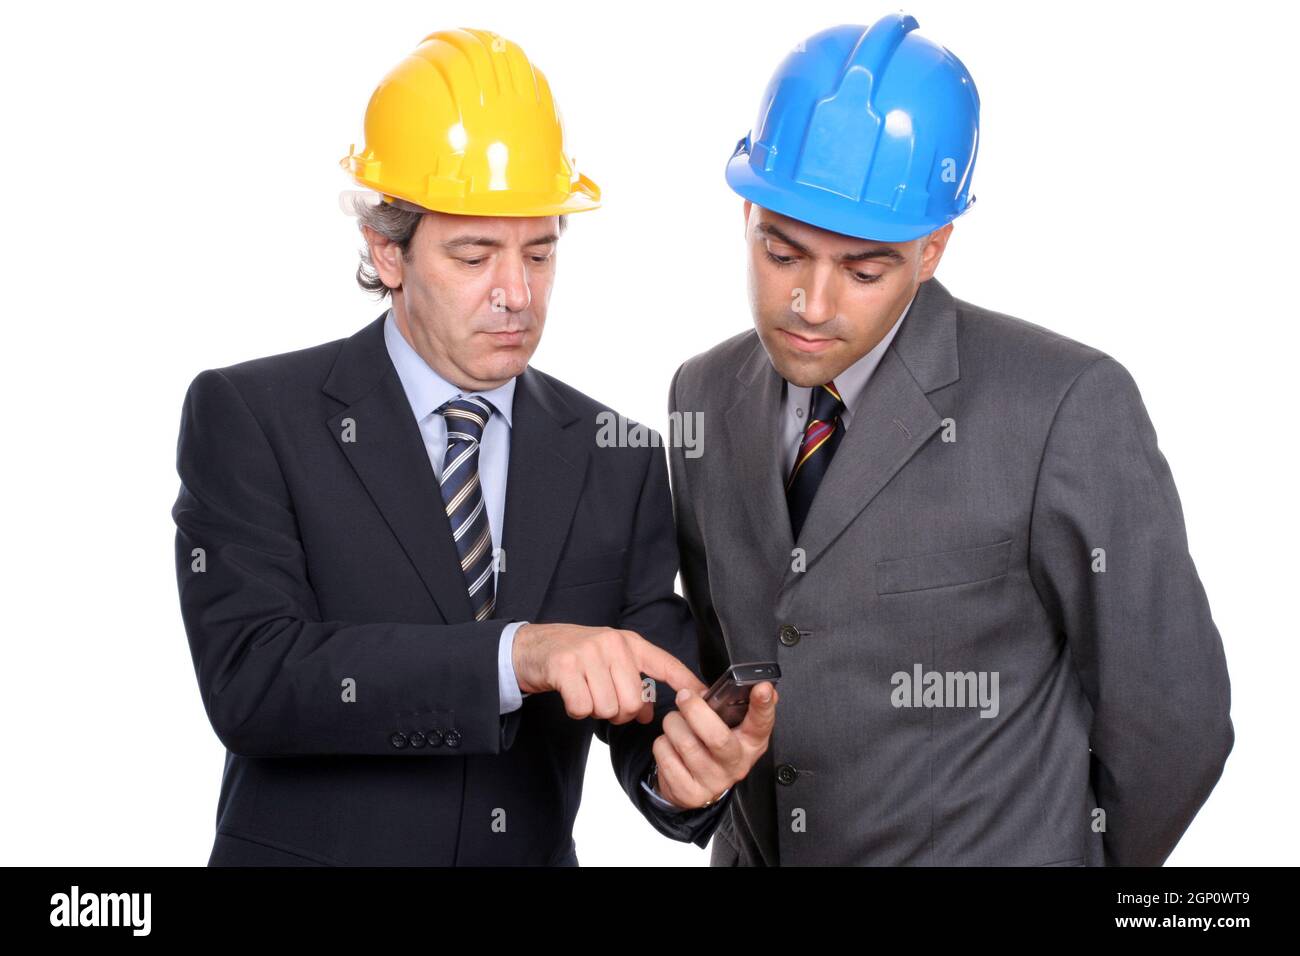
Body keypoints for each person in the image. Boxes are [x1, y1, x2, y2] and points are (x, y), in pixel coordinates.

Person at [172, 27, 773, 866]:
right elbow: (253, 677)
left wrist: (686, 770)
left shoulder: (618, 457)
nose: (516, 294)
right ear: (387, 250)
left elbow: (646, 703)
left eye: (539, 251)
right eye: (473, 254)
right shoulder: (253, 417)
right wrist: (516, 653)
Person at [667, 13, 1232, 866]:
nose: (812, 305)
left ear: (933, 249)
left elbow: (1173, 719)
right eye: (783, 254)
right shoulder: (700, 395)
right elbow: (727, 675)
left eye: (864, 270)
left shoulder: (1065, 405)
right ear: (747, 210)